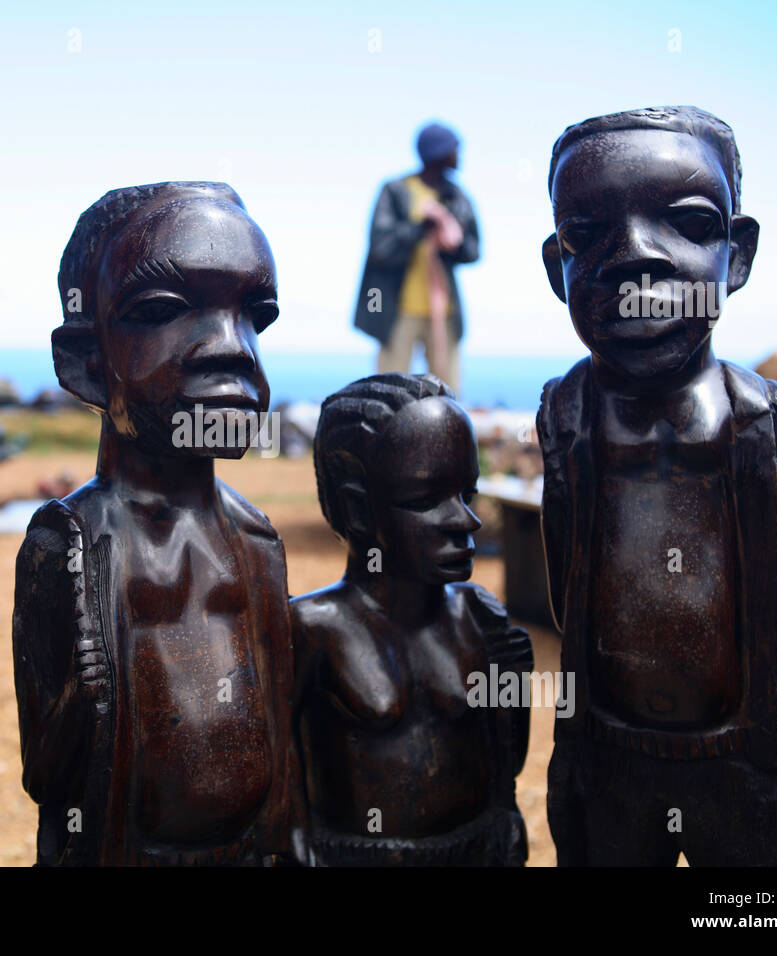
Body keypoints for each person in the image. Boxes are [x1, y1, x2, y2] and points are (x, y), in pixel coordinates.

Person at [537, 106, 777, 866]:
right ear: (555, 267)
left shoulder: (770, 424)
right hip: (611, 752)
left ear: (736, 254)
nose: (635, 256)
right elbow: (564, 584)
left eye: (689, 224)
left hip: (743, 758)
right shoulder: (567, 415)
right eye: (586, 235)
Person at [13, 181, 307, 866]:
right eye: (165, 310)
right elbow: (46, 774)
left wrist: (292, 841)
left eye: (254, 315)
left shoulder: (255, 538)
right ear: (87, 363)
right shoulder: (68, 544)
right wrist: (81, 695)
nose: (232, 347)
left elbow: (280, 726)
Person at [292, 373, 531, 865]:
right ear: (358, 509)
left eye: (468, 492)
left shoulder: (478, 617)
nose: (467, 521)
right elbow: (278, 781)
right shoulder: (313, 629)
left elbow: (505, 756)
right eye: (426, 501)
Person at [353, 122, 480, 393]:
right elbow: (380, 247)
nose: (459, 154)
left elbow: (473, 250)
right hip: (396, 312)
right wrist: (420, 228)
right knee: (389, 390)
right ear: (439, 152)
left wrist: (450, 242)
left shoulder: (456, 197)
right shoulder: (395, 190)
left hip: (444, 313)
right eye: (454, 148)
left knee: (447, 391)